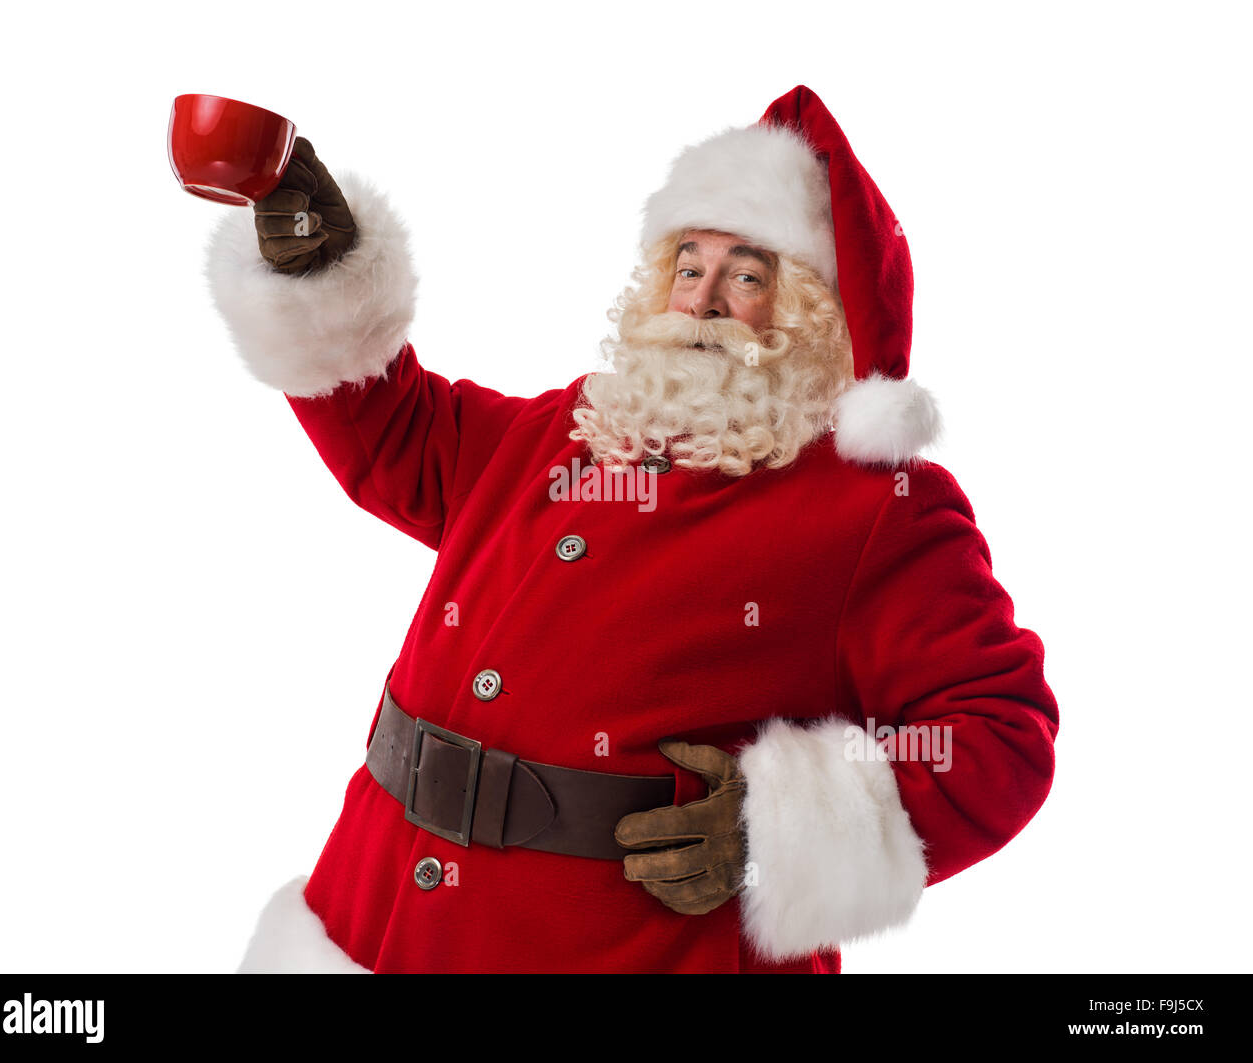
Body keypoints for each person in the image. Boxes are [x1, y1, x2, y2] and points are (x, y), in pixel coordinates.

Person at [204, 85, 1058, 974]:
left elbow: (1001, 733)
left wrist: (776, 833)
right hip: (371, 919)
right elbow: (401, 439)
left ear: (813, 314)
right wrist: (318, 272)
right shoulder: (564, 430)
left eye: (749, 275)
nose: (703, 300)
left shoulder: (877, 509)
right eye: (689, 267)